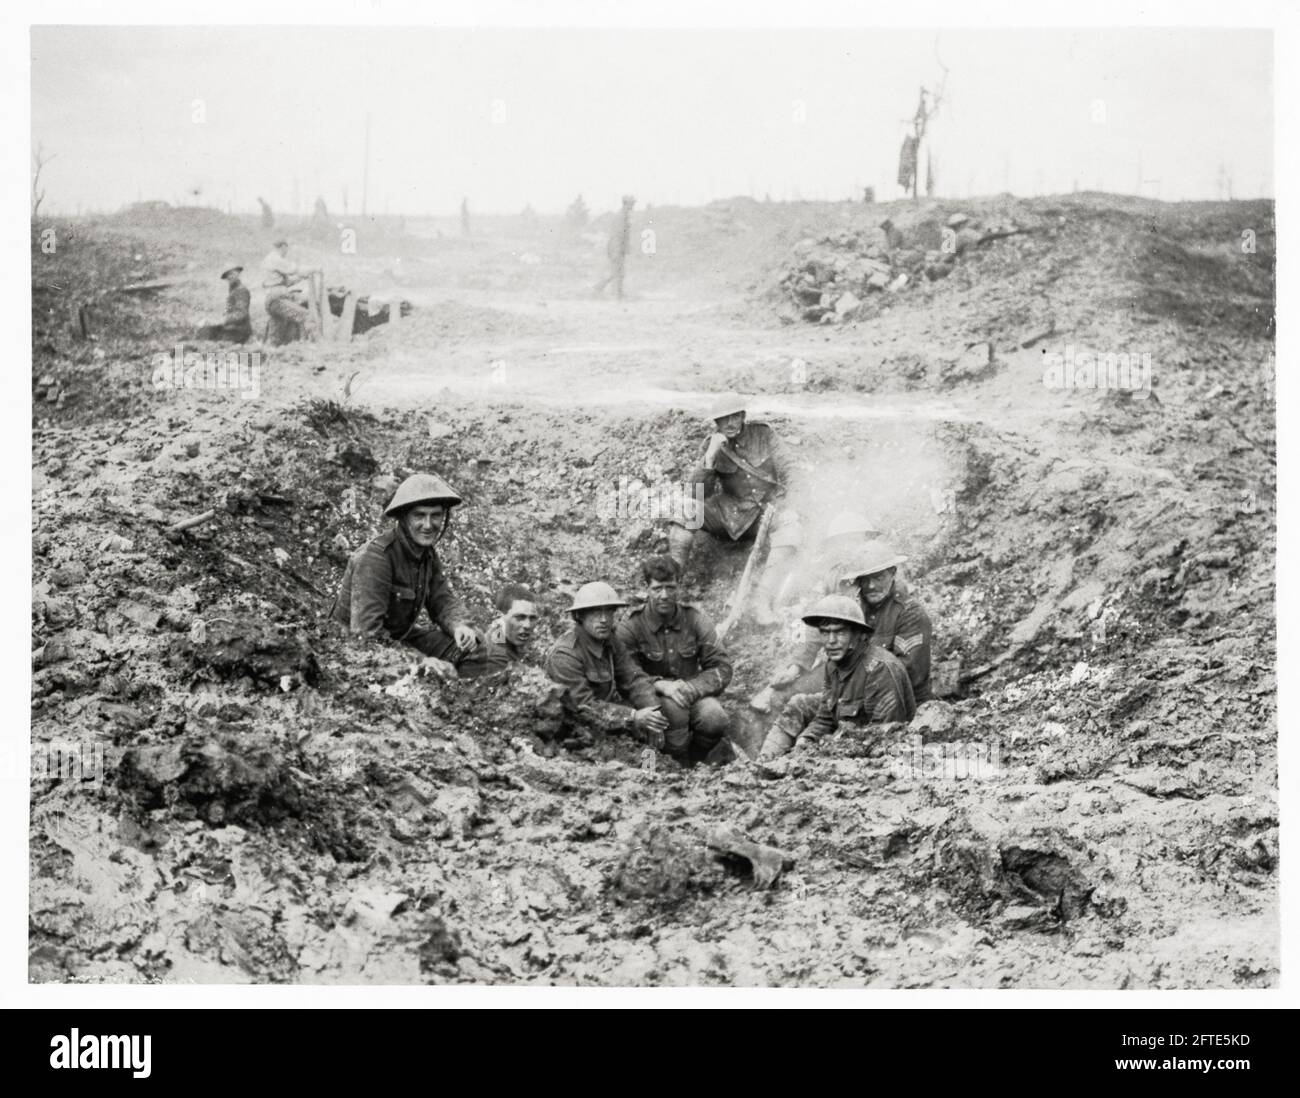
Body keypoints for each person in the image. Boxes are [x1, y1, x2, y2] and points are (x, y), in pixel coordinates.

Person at [330, 473, 498, 678]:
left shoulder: (425, 554)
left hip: (398, 638)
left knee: (476, 647)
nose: (428, 525)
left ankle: (455, 701)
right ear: (404, 518)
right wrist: (420, 661)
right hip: (354, 653)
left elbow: (442, 600)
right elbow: (366, 636)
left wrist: (460, 626)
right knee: (429, 672)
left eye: (435, 515)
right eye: (419, 515)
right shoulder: (376, 559)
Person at [667, 394, 801, 625]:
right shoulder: (712, 444)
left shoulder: (763, 435)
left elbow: (791, 471)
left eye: (735, 416)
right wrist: (710, 458)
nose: (730, 423)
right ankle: (669, 588)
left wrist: (790, 506)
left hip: (766, 512)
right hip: (730, 513)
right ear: (716, 423)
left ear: (743, 417)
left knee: (790, 530)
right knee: (684, 512)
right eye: (723, 419)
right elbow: (697, 495)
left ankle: (763, 601)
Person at [766, 539, 933, 704]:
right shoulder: (853, 604)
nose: (871, 586)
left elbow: (907, 673)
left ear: (892, 573)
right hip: (852, 685)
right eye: (865, 579)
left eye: (879, 577)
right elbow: (817, 629)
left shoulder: (910, 614)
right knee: (784, 695)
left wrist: (845, 692)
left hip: (895, 701)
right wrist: (795, 667)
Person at [758, 595, 915, 760]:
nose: (831, 641)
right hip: (849, 742)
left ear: (856, 634)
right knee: (799, 704)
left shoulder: (880, 670)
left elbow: (885, 735)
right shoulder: (833, 665)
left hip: (880, 758)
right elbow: (825, 718)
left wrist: (824, 748)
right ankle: (763, 762)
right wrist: (805, 741)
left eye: (840, 632)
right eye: (825, 633)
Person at [615, 556, 733, 764]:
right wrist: (660, 685)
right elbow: (625, 674)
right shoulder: (631, 626)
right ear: (647, 588)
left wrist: (692, 688)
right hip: (650, 697)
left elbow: (721, 667)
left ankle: (696, 764)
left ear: (679, 586)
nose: (664, 595)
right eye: (657, 588)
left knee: (715, 718)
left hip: (690, 694)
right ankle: (668, 767)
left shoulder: (695, 619)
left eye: (670, 588)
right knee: (673, 716)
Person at [545, 582, 670, 748]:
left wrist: (652, 712)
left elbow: (634, 678)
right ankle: (642, 769)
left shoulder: (610, 640)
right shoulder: (565, 655)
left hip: (610, 718)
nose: (604, 620)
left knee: (658, 723)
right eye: (596, 612)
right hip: (578, 731)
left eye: (609, 612)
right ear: (580, 616)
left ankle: (651, 771)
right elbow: (584, 708)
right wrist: (633, 716)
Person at [260, 239, 319, 345]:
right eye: (287, 249)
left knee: (276, 334)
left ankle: (270, 354)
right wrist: (313, 269)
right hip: (277, 299)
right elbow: (293, 269)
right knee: (305, 315)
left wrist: (301, 277)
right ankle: (309, 345)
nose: (287, 252)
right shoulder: (275, 258)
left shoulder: (270, 260)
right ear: (283, 247)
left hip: (273, 300)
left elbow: (287, 282)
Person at [197, 264, 252, 343]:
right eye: (227, 275)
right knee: (204, 333)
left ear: (238, 274)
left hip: (239, 331)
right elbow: (230, 310)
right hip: (232, 327)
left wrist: (222, 320)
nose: (230, 277)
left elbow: (241, 313)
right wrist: (214, 320)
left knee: (210, 342)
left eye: (232, 273)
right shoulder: (233, 290)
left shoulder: (241, 291)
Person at [594, 195, 635, 299]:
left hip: (618, 248)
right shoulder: (621, 217)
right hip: (616, 248)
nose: (633, 205)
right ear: (626, 204)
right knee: (617, 272)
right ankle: (601, 288)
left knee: (619, 272)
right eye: (631, 203)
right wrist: (618, 250)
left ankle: (618, 293)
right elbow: (619, 235)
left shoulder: (624, 216)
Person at [487, 584, 541, 663]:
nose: (527, 625)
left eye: (532, 618)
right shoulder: (493, 656)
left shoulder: (509, 644)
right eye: (520, 617)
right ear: (499, 616)